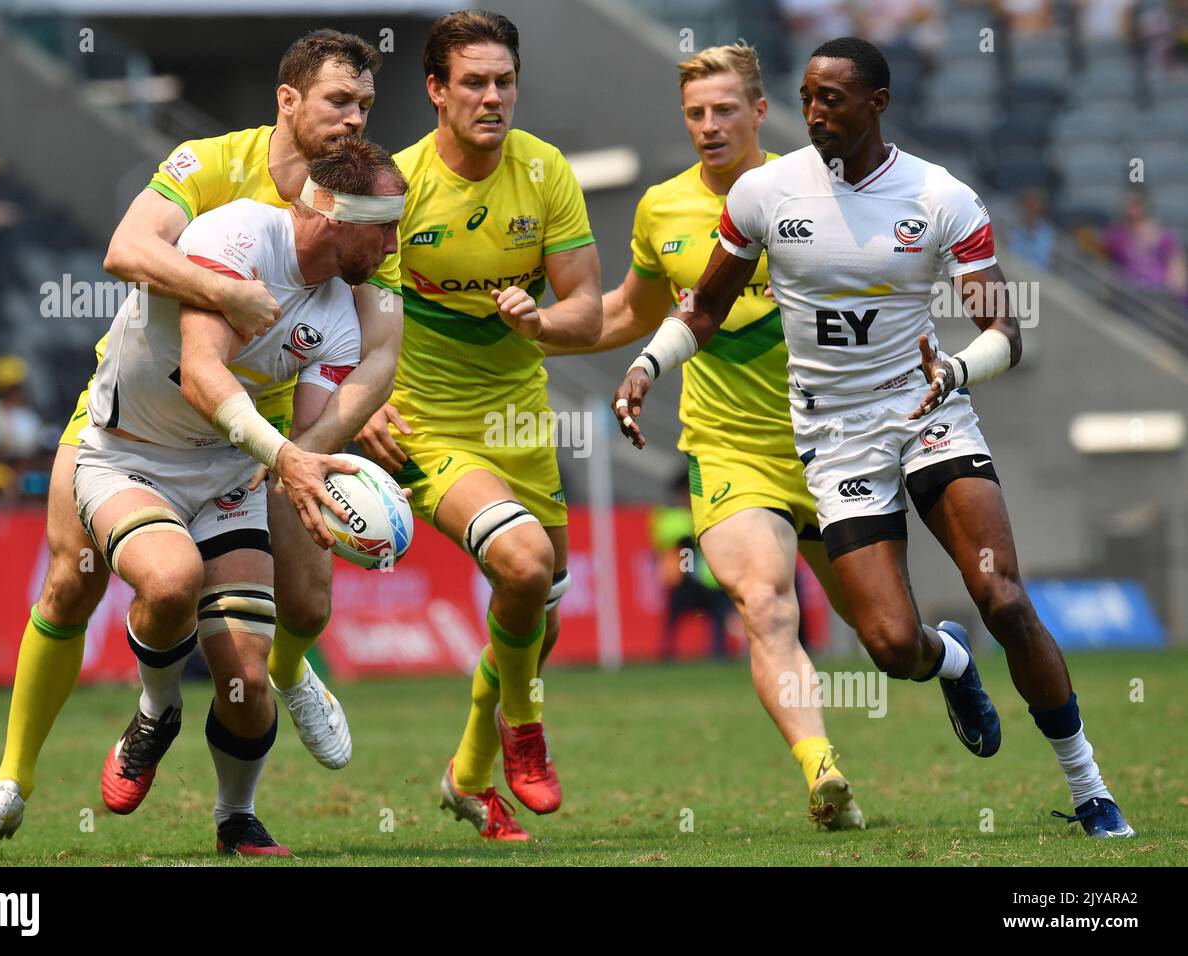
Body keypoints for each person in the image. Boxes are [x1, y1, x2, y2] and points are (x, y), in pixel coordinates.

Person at [614, 36, 1135, 838]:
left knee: (1001, 595)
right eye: (809, 96)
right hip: (836, 439)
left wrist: (957, 374)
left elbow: (1003, 331)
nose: (815, 113)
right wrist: (650, 363)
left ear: (877, 104)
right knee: (890, 646)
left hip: (930, 415)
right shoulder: (764, 194)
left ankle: (1090, 786)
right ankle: (950, 662)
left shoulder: (939, 196)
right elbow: (705, 308)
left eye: (833, 100)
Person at [0, 29, 401, 845]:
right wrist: (229, 297)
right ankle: (13, 779)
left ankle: (273, 727)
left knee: (298, 609)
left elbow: (375, 352)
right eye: (339, 100)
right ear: (287, 100)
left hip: (245, 444)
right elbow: (126, 250)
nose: (353, 118)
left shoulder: (367, 203)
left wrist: (316, 450)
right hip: (132, 423)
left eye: (365, 102)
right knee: (75, 585)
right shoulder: (215, 170)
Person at [547, 42, 864, 829]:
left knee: (888, 636)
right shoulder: (662, 208)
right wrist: (531, 333)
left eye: (726, 110)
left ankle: (945, 658)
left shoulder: (821, 190)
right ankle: (821, 768)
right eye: (695, 113)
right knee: (764, 604)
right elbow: (630, 312)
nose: (709, 126)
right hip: (728, 447)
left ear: (761, 113)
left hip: (838, 446)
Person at [355, 10, 602, 841]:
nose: (492, 97)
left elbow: (589, 313)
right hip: (427, 425)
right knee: (524, 564)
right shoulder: (398, 184)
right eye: (473, 82)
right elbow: (350, 311)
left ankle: (465, 778)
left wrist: (540, 322)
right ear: (435, 90)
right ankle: (523, 732)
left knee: (540, 609)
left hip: (522, 426)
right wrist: (369, 404)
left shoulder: (546, 172)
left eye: (504, 81)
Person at [649, 470, 734, 661]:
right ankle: (667, 654)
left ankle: (719, 653)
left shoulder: (709, 512)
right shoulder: (671, 517)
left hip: (711, 582)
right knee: (674, 615)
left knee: (720, 613)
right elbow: (672, 539)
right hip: (683, 581)